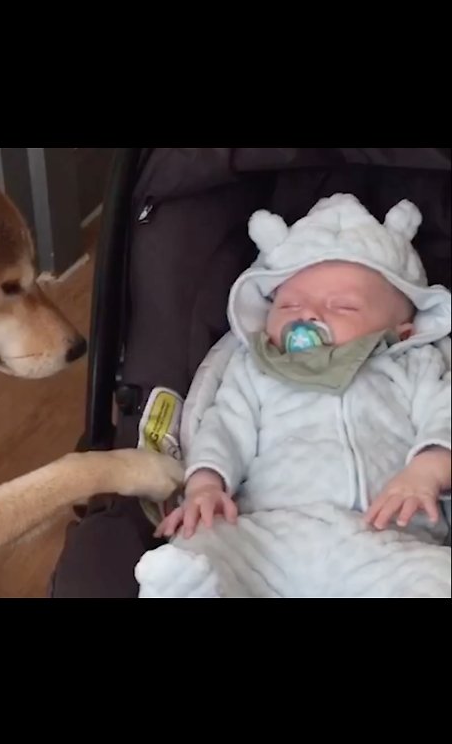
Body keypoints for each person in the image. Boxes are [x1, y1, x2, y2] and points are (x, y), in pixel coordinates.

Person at [135, 193, 451, 598]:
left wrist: (426, 471)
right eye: (291, 303)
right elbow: (223, 427)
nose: (309, 314)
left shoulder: (413, 365)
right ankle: (189, 587)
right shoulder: (256, 370)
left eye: (344, 307)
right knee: (209, 547)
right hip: (267, 534)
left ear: (404, 330)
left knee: (435, 575)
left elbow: (444, 416)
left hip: (385, 537)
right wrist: (205, 486)